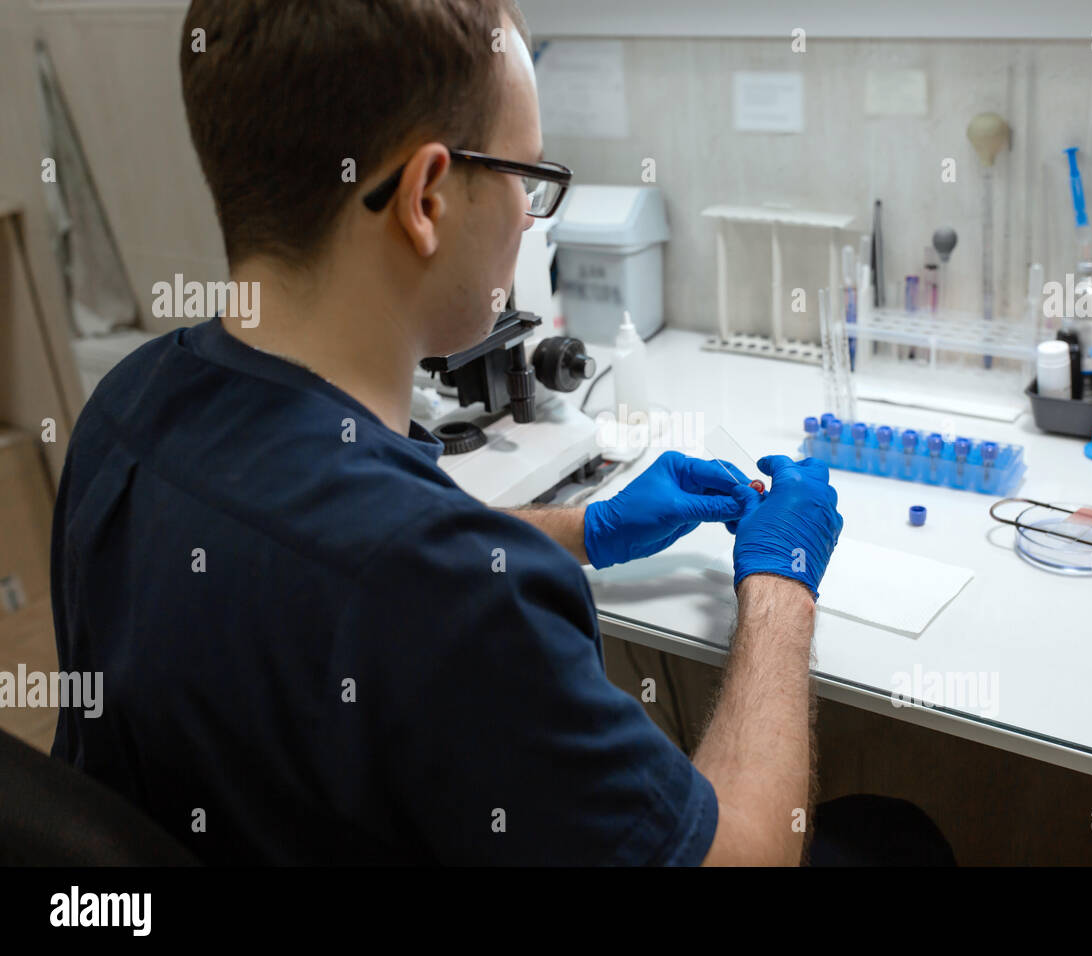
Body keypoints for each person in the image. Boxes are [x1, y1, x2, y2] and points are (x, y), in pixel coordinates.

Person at [49, 0, 947, 865]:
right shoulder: (450, 603)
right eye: (529, 178)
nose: (530, 213)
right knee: (894, 835)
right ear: (428, 198)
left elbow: (317, 554)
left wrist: (587, 529)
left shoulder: (125, 409)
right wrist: (782, 585)